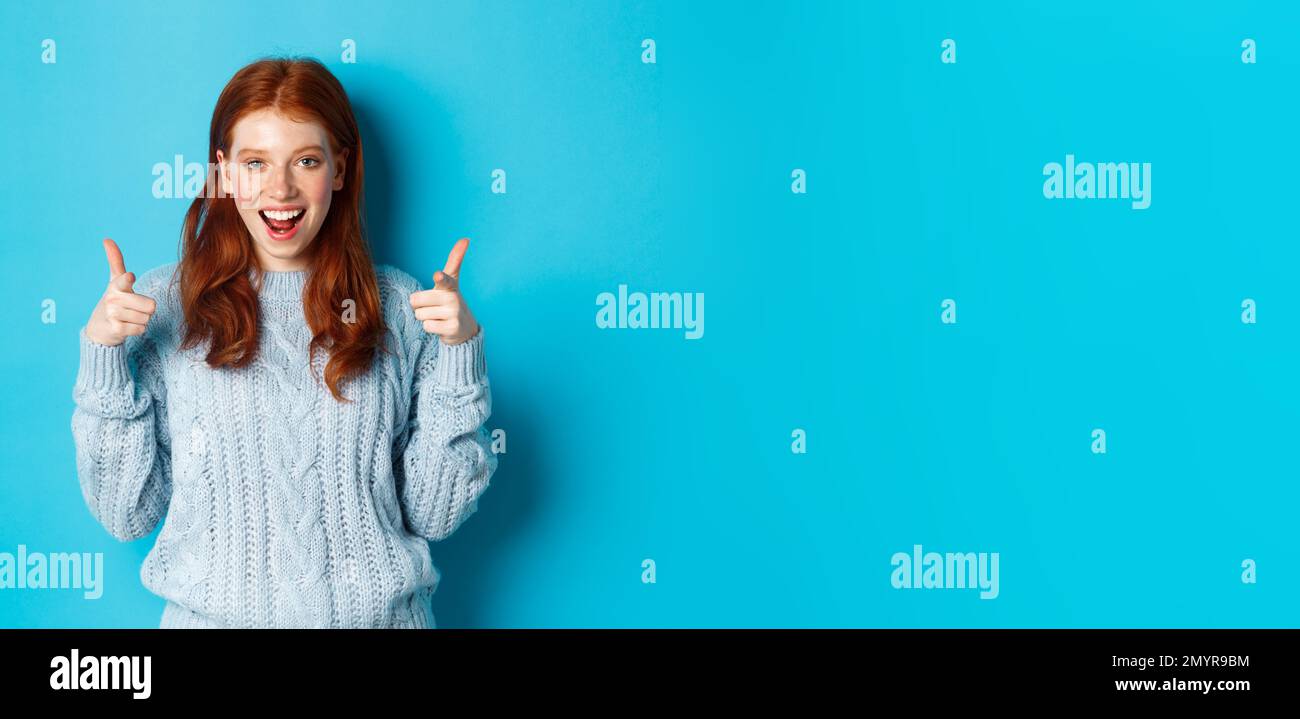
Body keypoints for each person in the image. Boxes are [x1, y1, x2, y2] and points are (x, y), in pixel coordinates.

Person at [70, 56, 498, 629]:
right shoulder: (166, 307)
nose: (280, 189)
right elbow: (126, 513)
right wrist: (103, 358)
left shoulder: (398, 309)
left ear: (340, 169)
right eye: (255, 162)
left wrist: (459, 357)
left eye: (305, 160)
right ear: (223, 172)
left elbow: (434, 512)